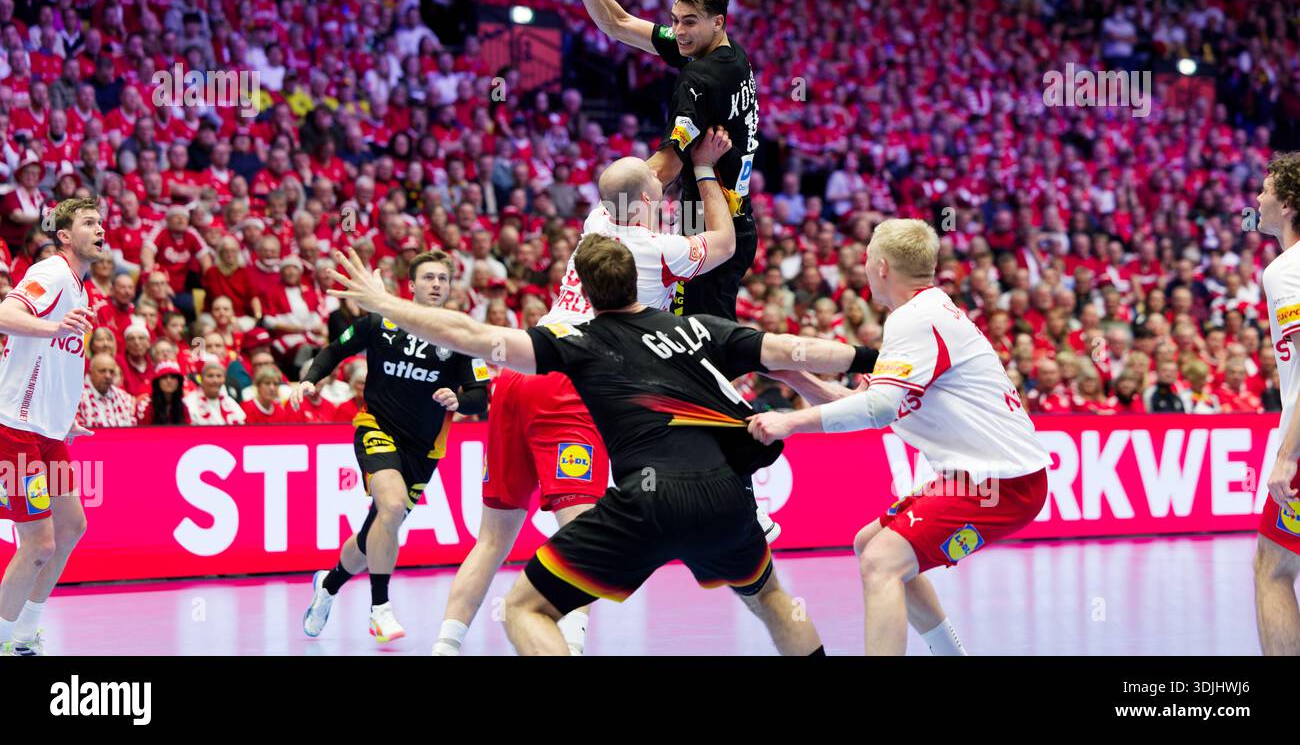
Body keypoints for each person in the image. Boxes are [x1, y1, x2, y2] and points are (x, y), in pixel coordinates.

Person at [327, 239, 881, 656]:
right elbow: (796, 349)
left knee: (523, 607)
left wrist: (383, 303)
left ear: (584, 295)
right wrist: (876, 362)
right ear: (640, 285)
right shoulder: (700, 328)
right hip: (727, 496)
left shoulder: (577, 342)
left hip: (646, 502)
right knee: (774, 601)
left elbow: (471, 337)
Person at [432, 133, 742, 656]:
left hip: (518, 371)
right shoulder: (658, 251)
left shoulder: (594, 226)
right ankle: (569, 645)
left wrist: (676, 147)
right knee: (580, 535)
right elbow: (726, 243)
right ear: (648, 203)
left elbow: (633, 182)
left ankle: (445, 645)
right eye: (662, 201)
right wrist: (706, 169)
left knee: (492, 540)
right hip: (567, 381)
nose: (668, 206)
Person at [748, 219, 1052, 656]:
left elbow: (876, 410)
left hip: (1001, 484)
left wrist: (788, 423)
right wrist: (795, 377)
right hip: (983, 477)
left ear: (882, 266)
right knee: (870, 544)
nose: (865, 262)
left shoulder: (915, 321)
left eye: (868, 254)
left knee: (882, 561)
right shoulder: (925, 313)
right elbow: (866, 401)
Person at [296, 250, 490, 645]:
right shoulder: (380, 323)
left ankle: (328, 586)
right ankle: (379, 609)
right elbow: (336, 349)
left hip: (424, 451)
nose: (436, 284)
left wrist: (458, 400)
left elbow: (480, 396)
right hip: (377, 428)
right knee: (391, 505)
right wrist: (311, 379)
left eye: (443, 278)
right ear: (412, 286)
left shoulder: (460, 335)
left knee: (375, 533)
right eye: (429, 278)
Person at [570, 0, 760, 321]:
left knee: (698, 346)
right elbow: (619, 24)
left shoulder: (700, 79)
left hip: (709, 225)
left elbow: (665, 167)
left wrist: (613, 207)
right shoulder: (726, 52)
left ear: (718, 21)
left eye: (689, 22)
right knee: (693, 339)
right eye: (675, 21)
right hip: (726, 216)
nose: (680, 31)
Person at [0, 198, 100, 656]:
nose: (100, 229)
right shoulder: (52, 273)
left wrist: (65, 414)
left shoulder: (80, 288)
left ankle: (24, 635)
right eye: (88, 222)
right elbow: (5, 314)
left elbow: (56, 360)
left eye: (101, 222)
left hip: (49, 432)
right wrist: (54, 326)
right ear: (64, 235)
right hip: (16, 429)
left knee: (71, 525)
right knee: (38, 543)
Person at [1254, 155, 1300, 655]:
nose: (1258, 199)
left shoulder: (1288, 271)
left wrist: (1287, 455)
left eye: (1266, 190)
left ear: (1287, 204)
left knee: (1273, 569)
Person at [75, 353, 137, 429]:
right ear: (90, 372)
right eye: (102, 371)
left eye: (111, 372)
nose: (108, 376)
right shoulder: (76, 397)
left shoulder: (124, 397)